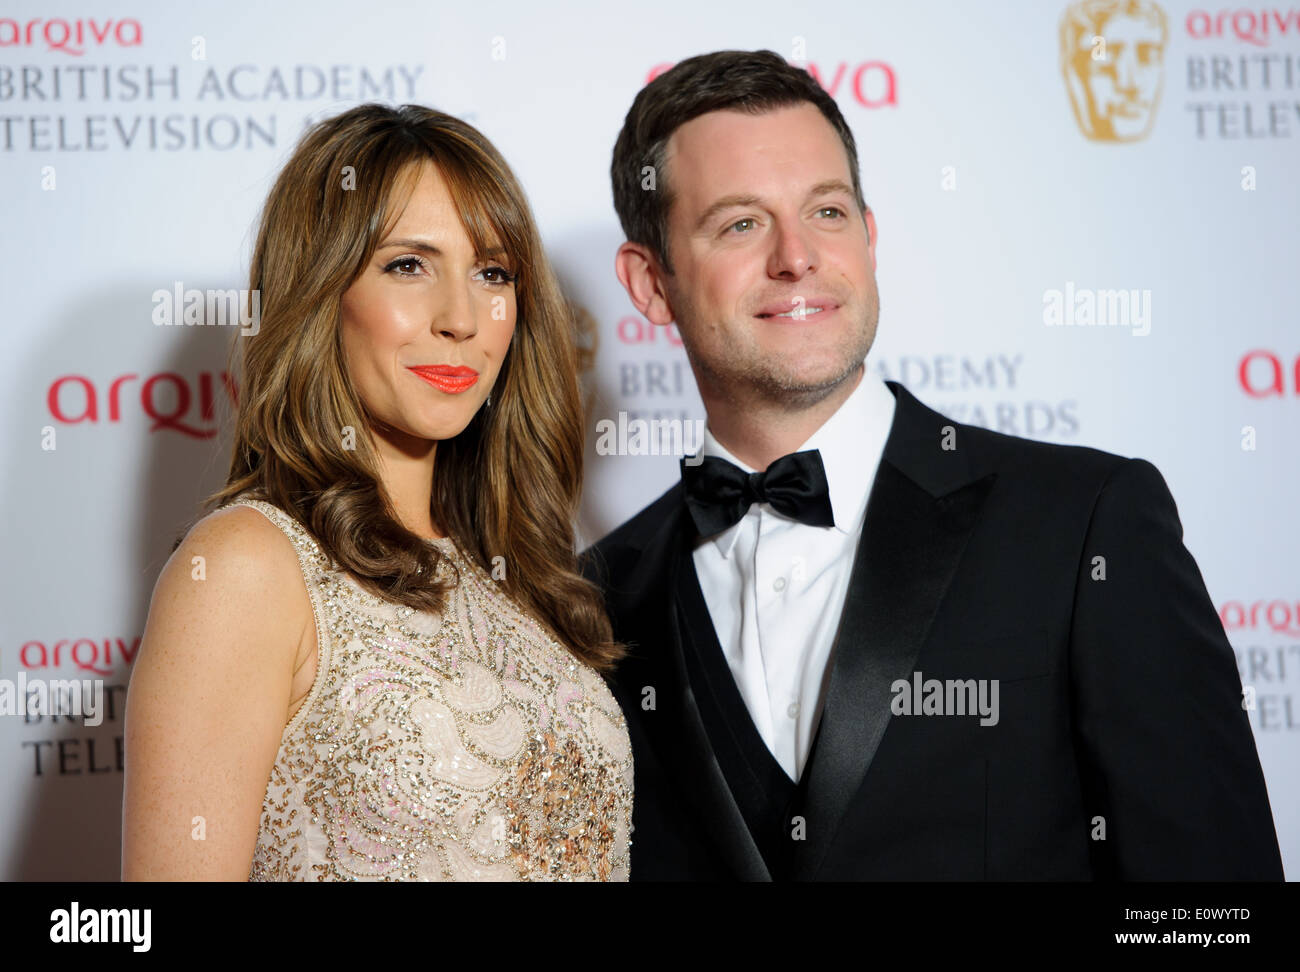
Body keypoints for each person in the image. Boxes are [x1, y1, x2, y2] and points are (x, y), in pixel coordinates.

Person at [582, 49, 1284, 880]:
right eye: (740, 223)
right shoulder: (593, 601)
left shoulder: (1084, 521)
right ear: (650, 283)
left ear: (870, 239)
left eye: (829, 212)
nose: (797, 256)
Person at [122, 103, 632, 882]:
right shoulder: (248, 567)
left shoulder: (524, 577)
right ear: (321, 291)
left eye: (492, 272)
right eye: (408, 265)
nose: (461, 318)